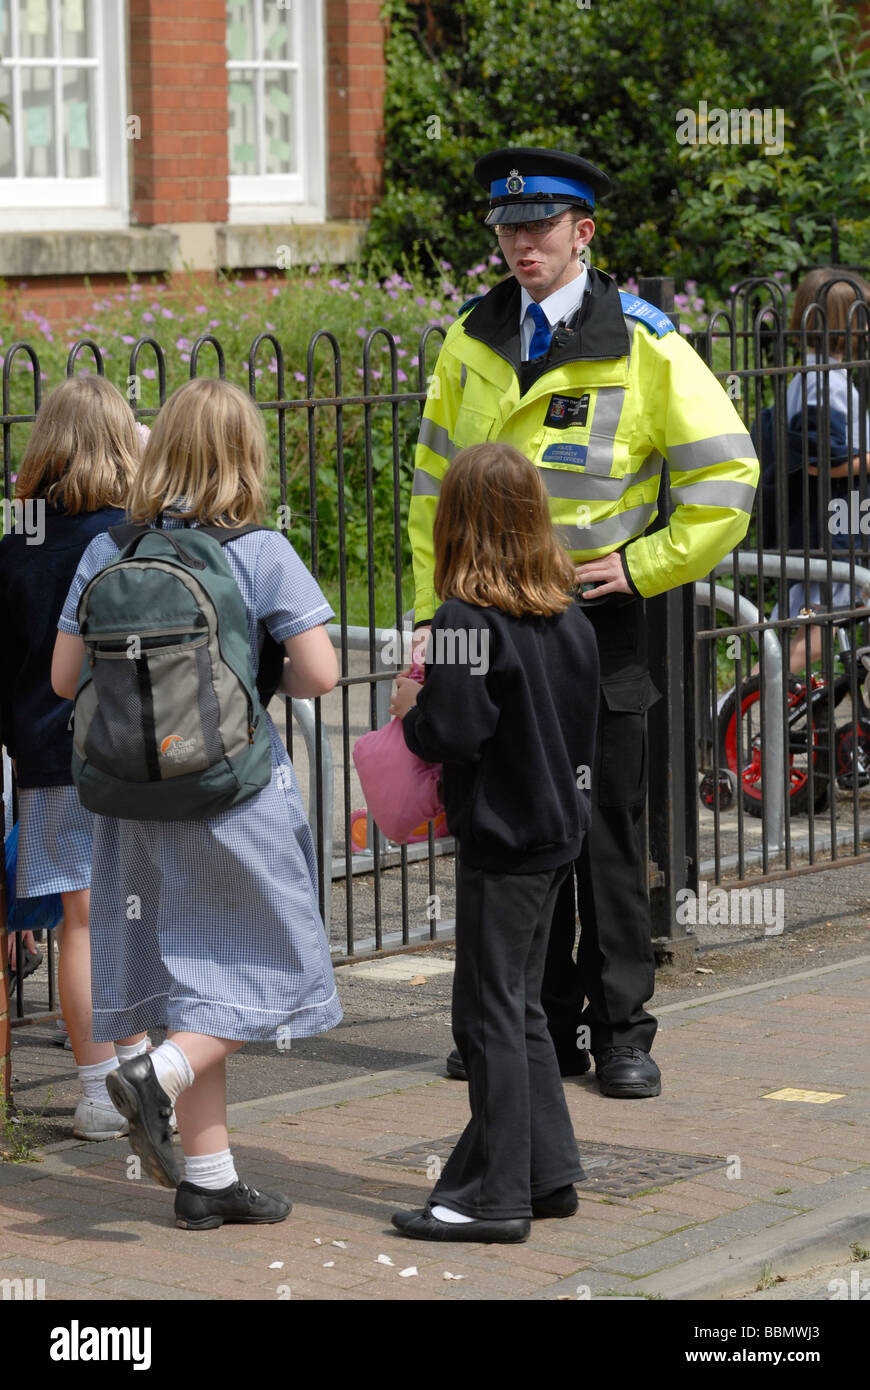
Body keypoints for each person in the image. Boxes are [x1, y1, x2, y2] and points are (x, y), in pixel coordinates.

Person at [409, 147, 759, 1099]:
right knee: (505, 826)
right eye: (508, 230)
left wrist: (641, 565)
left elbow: (729, 476)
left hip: (595, 626)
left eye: (540, 228)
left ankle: (620, 1033)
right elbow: (429, 492)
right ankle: (520, 1024)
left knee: (603, 832)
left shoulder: (642, 343)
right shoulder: (470, 338)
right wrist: (427, 618)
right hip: (487, 624)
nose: (521, 245)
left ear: (584, 233)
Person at [52, 377, 342, 1230]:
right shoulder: (258, 549)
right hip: (232, 795)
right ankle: (161, 1074)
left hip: (130, 805)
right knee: (291, 961)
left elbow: (66, 679)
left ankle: (208, 1177)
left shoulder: (108, 550)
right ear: (244, 453)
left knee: (190, 983)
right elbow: (322, 675)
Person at [391, 442, 599, 1243]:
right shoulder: (570, 614)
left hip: (502, 837)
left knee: (485, 1018)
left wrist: (412, 703)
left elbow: (451, 732)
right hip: (557, 832)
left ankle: (493, 1195)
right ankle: (547, 1174)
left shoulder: (459, 621)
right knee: (524, 1012)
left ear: (456, 524)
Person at [0, 376, 147, 1139]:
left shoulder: (17, 540)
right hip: (138, 753)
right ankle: (148, 1070)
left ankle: (97, 1092)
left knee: (80, 924)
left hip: (49, 755)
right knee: (143, 915)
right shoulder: (135, 532)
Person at [759, 268, 870, 673]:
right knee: (821, 628)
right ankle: (733, 709)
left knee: (809, 622)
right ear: (849, 322)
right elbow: (823, 462)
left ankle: (746, 708)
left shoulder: (816, 376)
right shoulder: (826, 382)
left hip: (827, 524)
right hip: (828, 526)